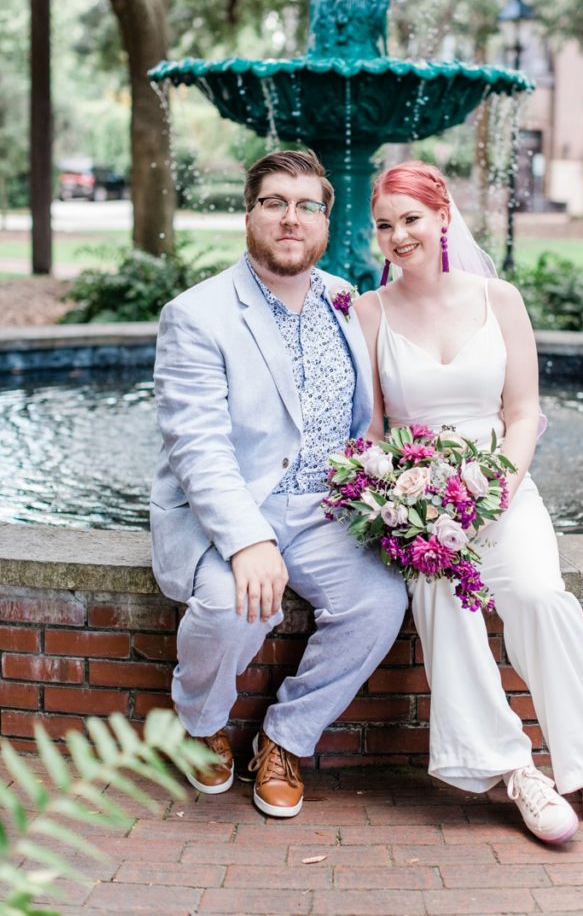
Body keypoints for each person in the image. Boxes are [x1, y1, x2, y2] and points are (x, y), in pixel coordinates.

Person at [351, 161, 583, 845]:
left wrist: (498, 484)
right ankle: (514, 772)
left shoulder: (499, 300)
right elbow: (374, 429)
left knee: (538, 595)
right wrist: (401, 496)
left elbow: (525, 411)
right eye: (385, 225)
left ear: (443, 217)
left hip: (502, 483)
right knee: (443, 601)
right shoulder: (369, 312)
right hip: (420, 502)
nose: (398, 235)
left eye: (410, 219)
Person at [151, 148, 408, 819]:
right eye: (274, 203)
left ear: (325, 219)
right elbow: (198, 447)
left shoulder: (344, 302)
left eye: (307, 206)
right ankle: (200, 722)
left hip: (327, 510)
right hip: (232, 510)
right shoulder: (197, 314)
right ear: (249, 214)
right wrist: (246, 540)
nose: (291, 219)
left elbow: (366, 421)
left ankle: (285, 737)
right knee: (237, 604)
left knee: (380, 601)